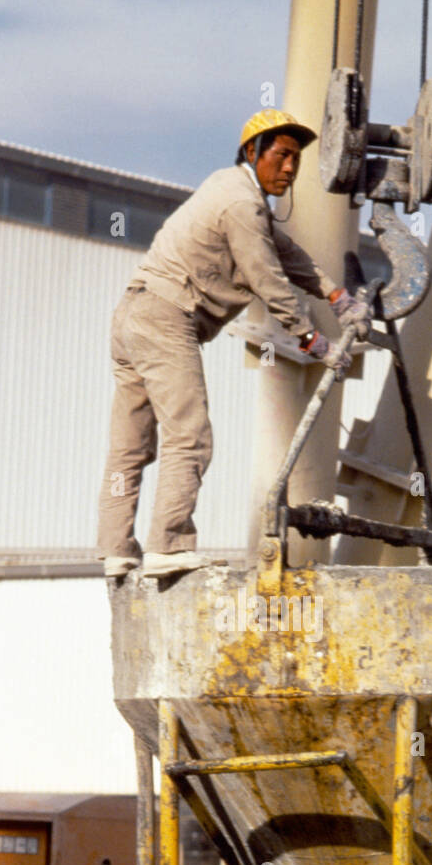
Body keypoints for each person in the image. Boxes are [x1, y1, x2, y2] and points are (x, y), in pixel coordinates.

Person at [97, 108, 372, 579]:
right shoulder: (241, 204)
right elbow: (266, 276)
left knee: (131, 446)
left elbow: (285, 254)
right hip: (166, 317)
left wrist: (335, 294)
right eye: (282, 156)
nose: (289, 168)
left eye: (296, 161)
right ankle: (169, 545)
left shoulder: (234, 192)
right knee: (191, 435)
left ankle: (115, 549)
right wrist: (313, 341)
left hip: (132, 317)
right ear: (253, 152)